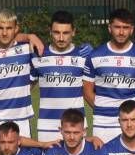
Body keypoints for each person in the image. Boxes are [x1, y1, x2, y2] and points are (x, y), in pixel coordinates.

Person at [84, 9, 135, 143]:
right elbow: (87, 90)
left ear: (132, 29)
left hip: (132, 124)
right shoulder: (95, 56)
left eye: (126, 27)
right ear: (109, 28)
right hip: (103, 123)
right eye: (117, 27)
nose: (121, 32)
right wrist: (102, 108)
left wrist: (134, 114)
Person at [33, 11, 92, 142]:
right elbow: (25, 86)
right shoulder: (39, 55)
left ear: (73, 32)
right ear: (50, 31)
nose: (60, 38)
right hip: (46, 125)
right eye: (56, 32)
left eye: (65, 33)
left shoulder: (84, 56)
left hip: (76, 125)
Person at [0, 9, 35, 136]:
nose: (4, 33)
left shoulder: (27, 49)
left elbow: (37, 74)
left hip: (21, 118)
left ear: (16, 29)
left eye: (9, 28)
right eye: (0, 28)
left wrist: (25, 88)